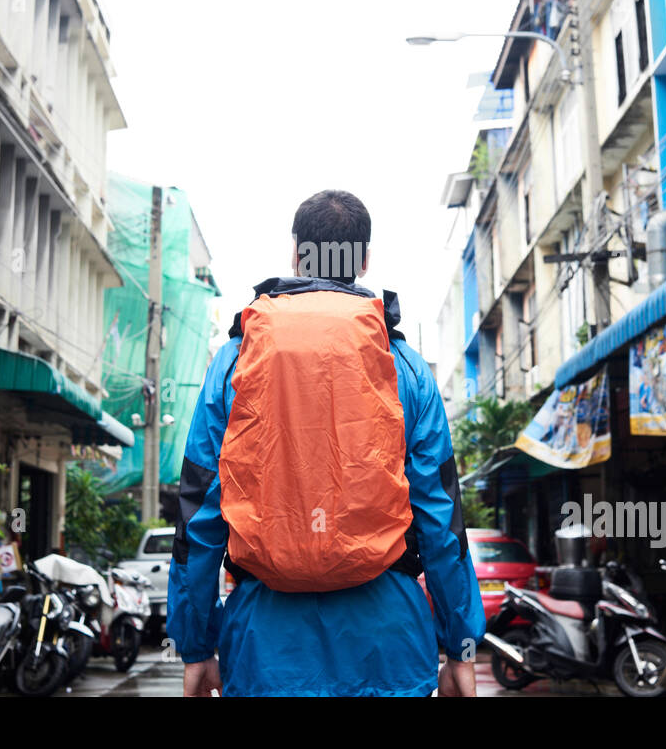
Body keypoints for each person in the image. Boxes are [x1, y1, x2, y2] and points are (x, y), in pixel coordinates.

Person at [167, 189, 484, 696]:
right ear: (362, 261)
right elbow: (441, 520)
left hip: (266, 651)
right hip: (389, 649)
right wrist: (461, 647)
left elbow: (200, 514)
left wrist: (195, 646)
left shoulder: (234, 361)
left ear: (296, 254)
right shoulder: (406, 369)